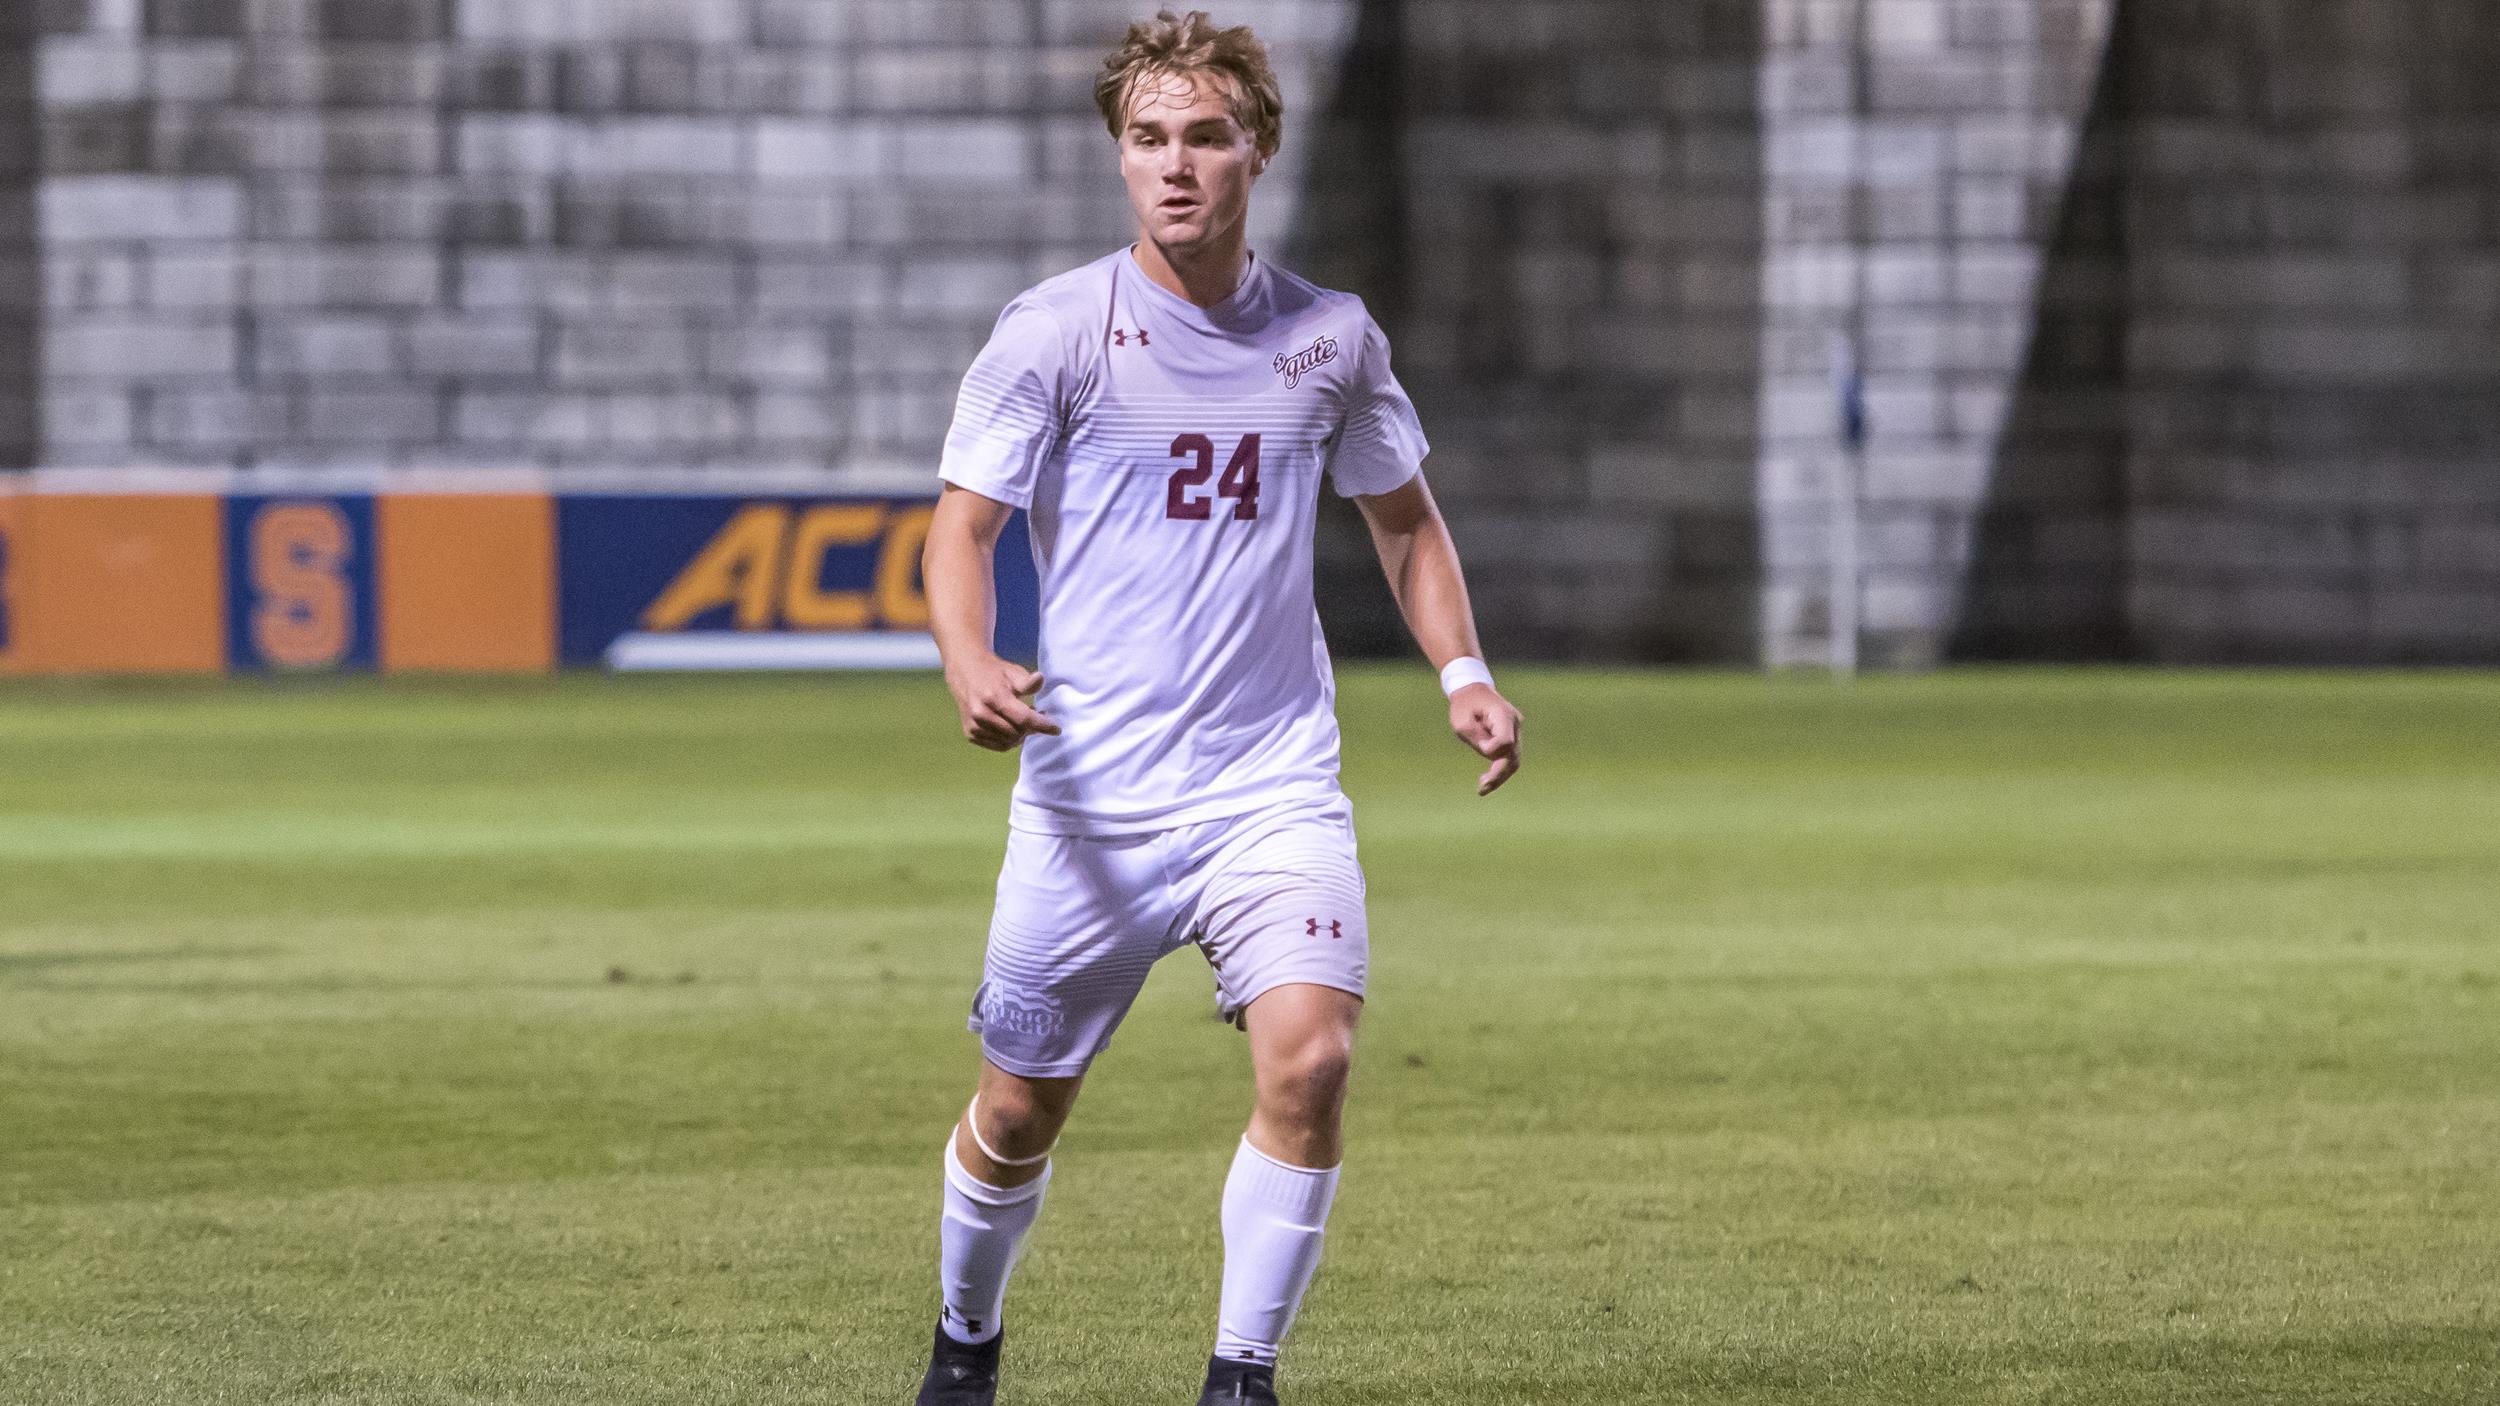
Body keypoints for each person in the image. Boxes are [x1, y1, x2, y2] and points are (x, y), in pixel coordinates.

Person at [912, 11, 1522, 1404]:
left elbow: (1408, 522)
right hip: (1091, 800)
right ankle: (965, 1336)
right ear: (1118, 156)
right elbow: (958, 532)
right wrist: (970, 658)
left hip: (1271, 783)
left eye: (1204, 136)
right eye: (1147, 139)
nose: (1175, 165)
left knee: (1312, 1061)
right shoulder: (1054, 332)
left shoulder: (1330, 340)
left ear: (1257, 150)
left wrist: (1465, 674)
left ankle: (1239, 1377)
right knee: (1017, 1107)